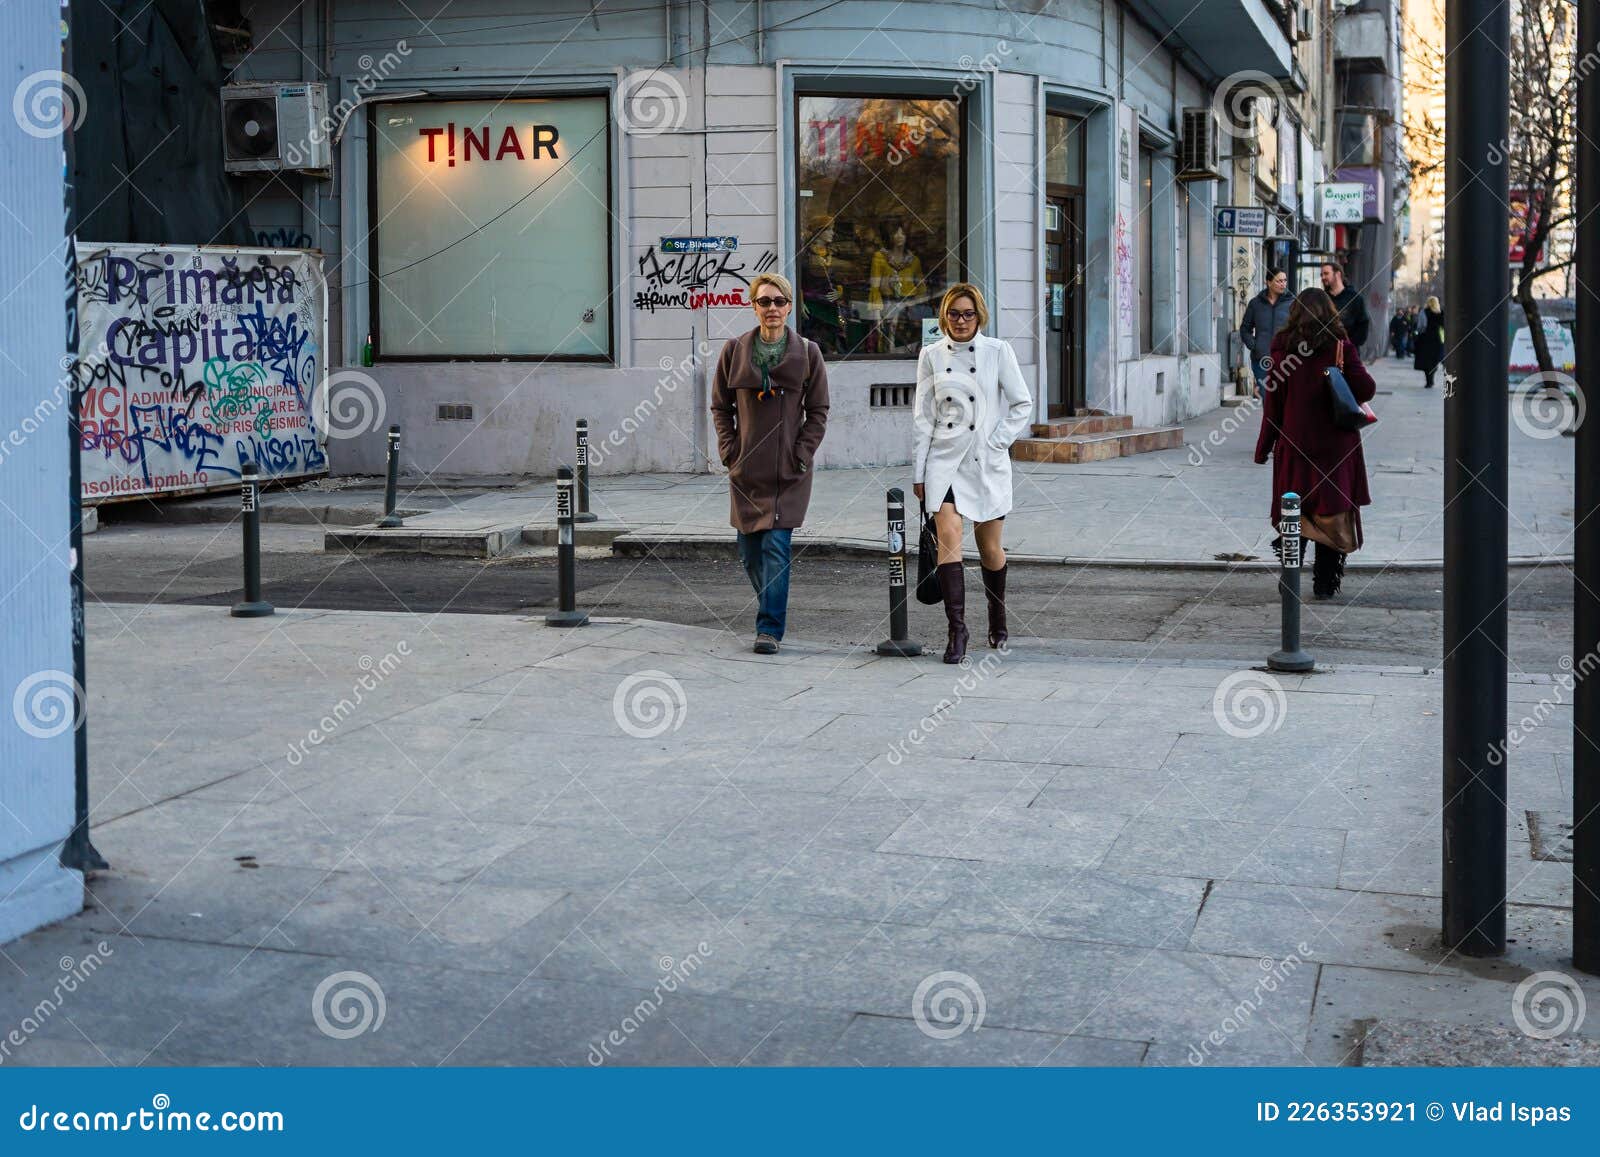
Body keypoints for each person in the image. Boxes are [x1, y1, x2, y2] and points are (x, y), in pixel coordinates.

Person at [911, 283, 1033, 663]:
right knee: (949, 537)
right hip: (943, 462)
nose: (960, 321)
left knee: (990, 549)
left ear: (979, 316)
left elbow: (1021, 403)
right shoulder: (930, 354)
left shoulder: (998, 351)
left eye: (967, 314)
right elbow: (923, 416)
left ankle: (997, 619)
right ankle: (957, 630)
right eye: (953, 313)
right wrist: (919, 472)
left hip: (985, 463)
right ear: (943, 316)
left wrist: (997, 442)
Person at [710, 271, 830, 654]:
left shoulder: (808, 352)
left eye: (779, 302)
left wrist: (802, 453)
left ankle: (769, 629)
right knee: (748, 551)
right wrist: (730, 449)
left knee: (776, 546)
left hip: (788, 473)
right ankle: (769, 605)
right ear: (754, 306)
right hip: (746, 471)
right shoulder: (734, 350)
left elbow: (819, 410)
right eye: (764, 302)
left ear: (790, 306)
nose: (772, 308)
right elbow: (719, 406)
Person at [1253, 288, 1376, 600]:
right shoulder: (1340, 346)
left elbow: (1273, 407)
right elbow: (1367, 389)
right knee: (1330, 517)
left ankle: (1290, 578)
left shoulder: (1282, 349)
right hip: (1335, 449)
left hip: (1294, 448)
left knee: (1296, 514)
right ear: (1329, 313)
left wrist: (1263, 447)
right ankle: (1324, 584)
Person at [1238, 267, 1294, 396]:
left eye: (1285, 281)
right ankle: (1269, 417)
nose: (1283, 284)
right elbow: (1245, 329)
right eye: (1279, 281)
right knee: (1267, 397)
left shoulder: (1292, 303)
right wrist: (1254, 346)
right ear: (1268, 282)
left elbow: (1299, 329)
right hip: (1261, 360)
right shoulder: (1255, 304)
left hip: (1285, 360)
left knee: (1283, 397)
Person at [1320, 261, 1370, 352]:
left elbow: (1363, 324)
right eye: (1321, 275)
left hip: (1349, 352)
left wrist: (1349, 344)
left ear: (1338, 274)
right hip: (1325, 352)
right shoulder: (1321, 298)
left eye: (1326, 273)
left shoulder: (1355, 298)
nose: (1323, 277)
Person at [1413, 295, 1444, 388]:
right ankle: (1431, 380)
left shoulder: (1423, 312)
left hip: (1425, 339)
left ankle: (1428, 381)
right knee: (1434, 361)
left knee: (1426, 361)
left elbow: (1420, 326)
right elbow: (1443, 325)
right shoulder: (1440, 313)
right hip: (1436, 339)